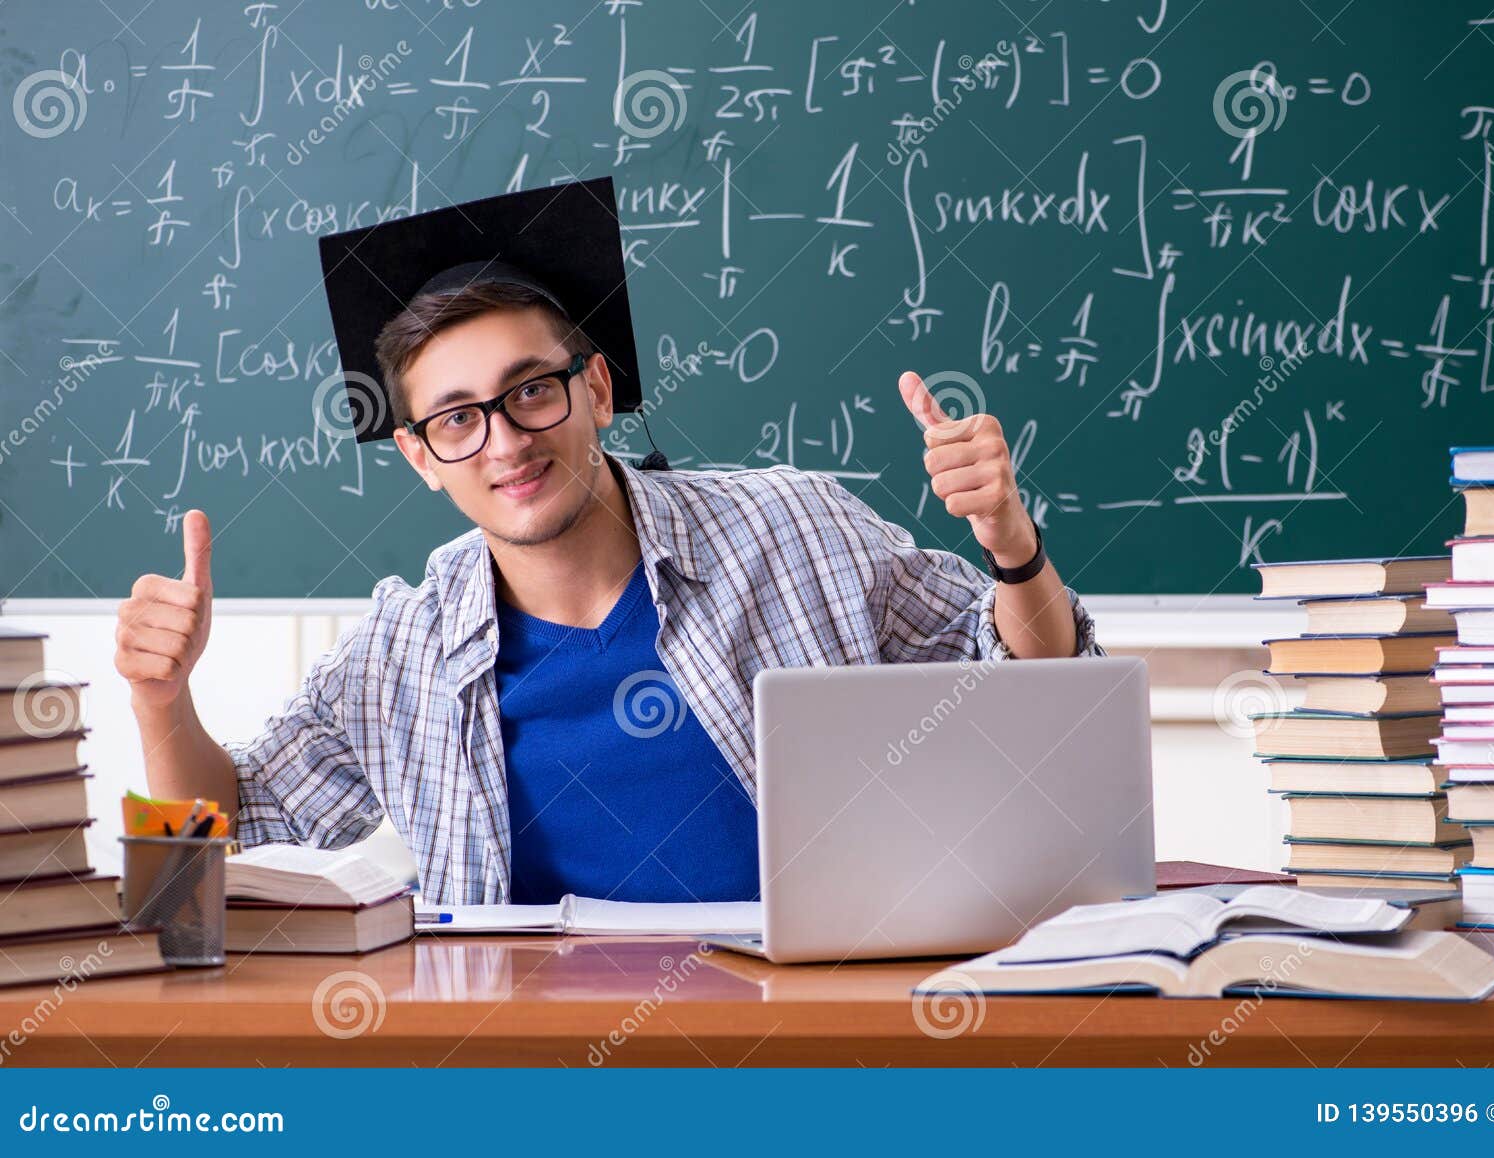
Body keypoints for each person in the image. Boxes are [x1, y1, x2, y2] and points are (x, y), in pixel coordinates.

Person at [113, 179, 1102, 906]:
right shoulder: (401, 652)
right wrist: (162, 703)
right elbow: (228, 828)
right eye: (456, 419)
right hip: (538, 1073)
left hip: (822, 1034)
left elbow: (1039, 685)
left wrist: (1012, 547)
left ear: (594, 390)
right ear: (420, 455)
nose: (503, 443)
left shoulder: (794, 528)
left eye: (529, 391)